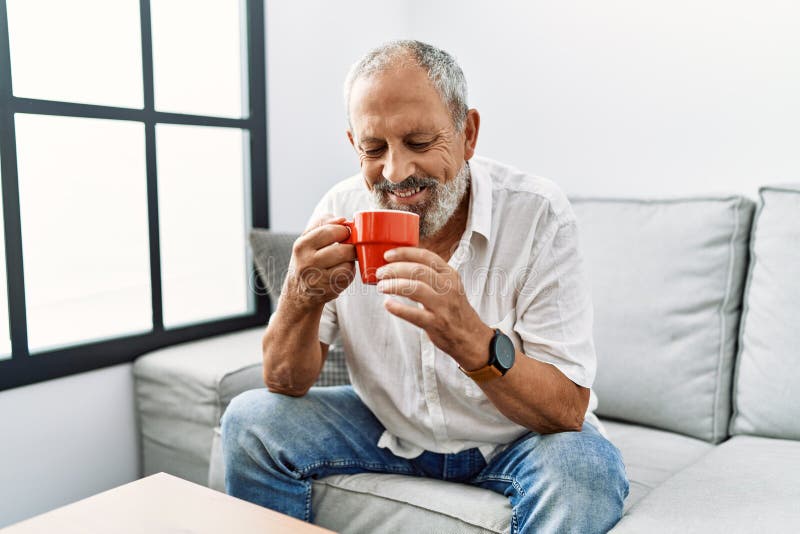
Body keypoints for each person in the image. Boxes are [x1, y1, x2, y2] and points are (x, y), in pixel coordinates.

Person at [221, 39, 629, 533]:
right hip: (390, 427)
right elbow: (285, 382)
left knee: (585, 469)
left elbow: (566, 409)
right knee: (251, 421)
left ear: (468, 133)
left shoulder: (537, 213)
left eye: (418, 143)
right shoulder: (341, 207)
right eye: (374, 149)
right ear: (355, 146)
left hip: (519, 438)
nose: (396, 172)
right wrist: (299, 297)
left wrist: (471, 339)